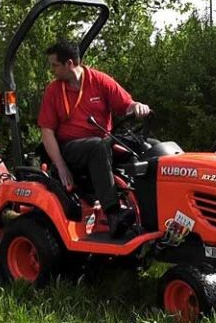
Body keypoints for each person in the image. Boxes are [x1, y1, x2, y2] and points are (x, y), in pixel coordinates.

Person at [37, 39, 151, 237]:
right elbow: (47, 132)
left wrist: (137, 106)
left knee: (148, 147)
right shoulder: (54, 91)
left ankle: (152, 211)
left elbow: (126, 104)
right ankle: (113, 213)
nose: (52, 70)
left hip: (103, 142)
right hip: (71, 148)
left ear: (69, 64)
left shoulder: (99, 80)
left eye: (55, 65)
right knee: (97, 146)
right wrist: (61, 166)